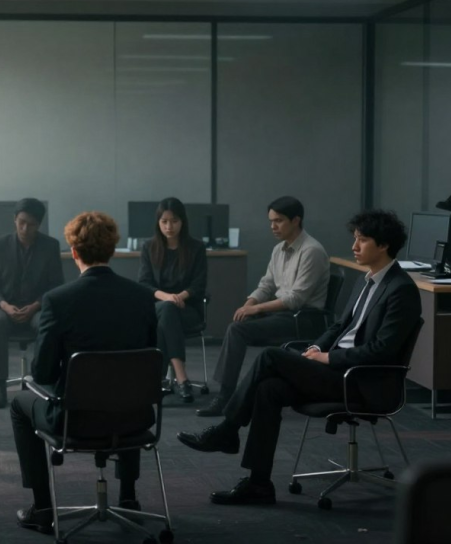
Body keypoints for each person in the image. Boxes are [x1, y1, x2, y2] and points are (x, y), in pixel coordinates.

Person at [178, 210, 422, 505]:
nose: (354, 247)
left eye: (363, 240)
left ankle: (228, 429)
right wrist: (317, 350)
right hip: (335, 369)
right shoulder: (367, 281)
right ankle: (258, 484)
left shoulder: (401, 289)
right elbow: (338, 327)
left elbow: (382, 350)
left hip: (359, 379)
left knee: (270, 356)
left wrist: (326, 360)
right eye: (355, 239)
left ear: (383, 245)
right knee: (269, 390)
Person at [11, 212, 157, 535]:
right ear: (112, 251)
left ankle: (44, 509)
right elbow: (150, 364)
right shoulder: (142, 298)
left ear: (74, 253)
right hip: (136, 419)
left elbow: (43, 372)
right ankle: (129, 498)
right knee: (126, 387)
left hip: (74, 422)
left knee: (18, 405)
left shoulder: (58, 301)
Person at [198, 196, 329, 417]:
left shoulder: (311, 251)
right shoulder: (279, 249)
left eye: (278, 221)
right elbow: (266, 284)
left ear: (296, 220)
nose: (273, 226)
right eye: (270, 221)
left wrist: (257, 309)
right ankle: (229, 393)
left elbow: (296, 298)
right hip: (283, 314)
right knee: (239, 323)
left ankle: (225, 396)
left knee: (237, 329)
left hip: (303, 319)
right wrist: (249, 303)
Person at [0, 197, 63, 409]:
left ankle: (42, 382)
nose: (26, 228)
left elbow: (55, 286)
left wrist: (36, 305)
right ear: (14, 220)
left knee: (48, 324)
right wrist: (5, 306)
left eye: (32, 224)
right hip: (5, 307)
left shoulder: (50, 246)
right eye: (22, 222)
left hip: (36, 307)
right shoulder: (0, 246)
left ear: (39, 224)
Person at [138, 198, 207, 403]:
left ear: (182, 222)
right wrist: (168, 298)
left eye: (174, 221)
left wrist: (179, 297)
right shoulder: (149, 247)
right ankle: (181, 377)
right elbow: (144, 284)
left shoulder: (196, 248)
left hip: (188, 309)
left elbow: (198, 285)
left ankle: (158, 380)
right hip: (161, 305)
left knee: (164, 319)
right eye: (164, 221)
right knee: (166, 310)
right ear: (158, 223)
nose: (169, 226)